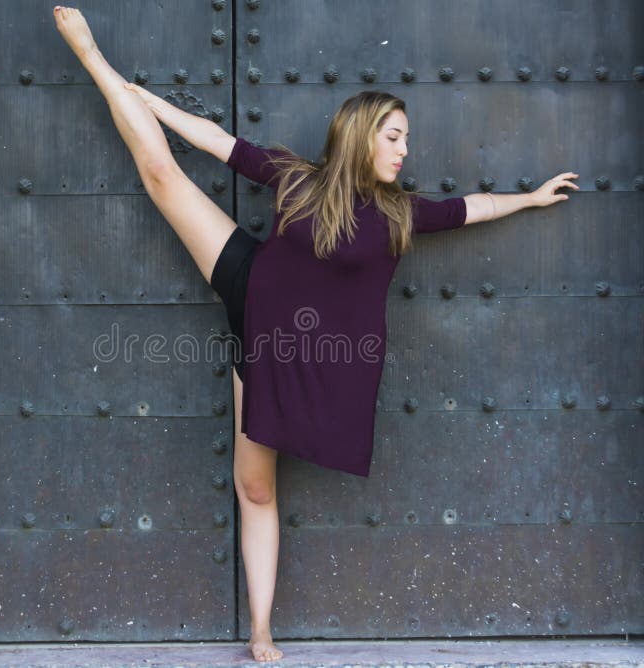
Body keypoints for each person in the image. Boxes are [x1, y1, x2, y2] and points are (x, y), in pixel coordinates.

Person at [53, 6, 579, 662]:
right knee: (164, 176)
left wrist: (528, 198)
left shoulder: (399, 214)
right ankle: (96, 63)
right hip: (249, 286)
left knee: (256, 486)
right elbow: (214, 140)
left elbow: (471, 208)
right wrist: (140, 96)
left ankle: (260, 632)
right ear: (361, 134)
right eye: (393, 135)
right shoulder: (297, 178)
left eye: (406, 138)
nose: (403, 149)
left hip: (290, 352)